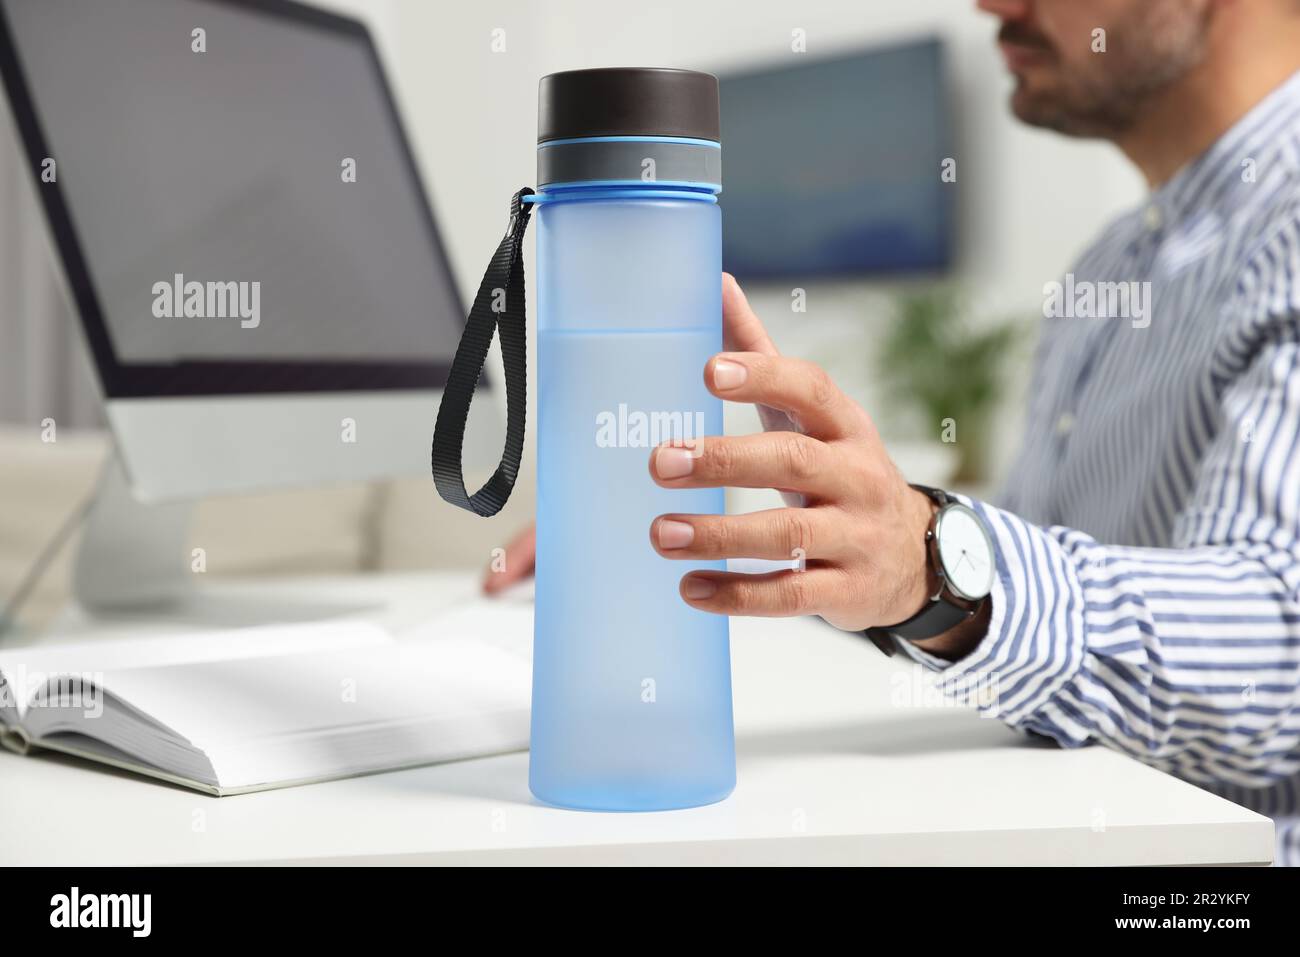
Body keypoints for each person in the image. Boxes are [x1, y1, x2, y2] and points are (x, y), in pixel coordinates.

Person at [487, 0, 1300, 864]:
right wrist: (812, 548)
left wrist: (931, 563)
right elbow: (1039, 588)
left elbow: (1282, 644)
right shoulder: (1112, 265)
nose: (992, 4)